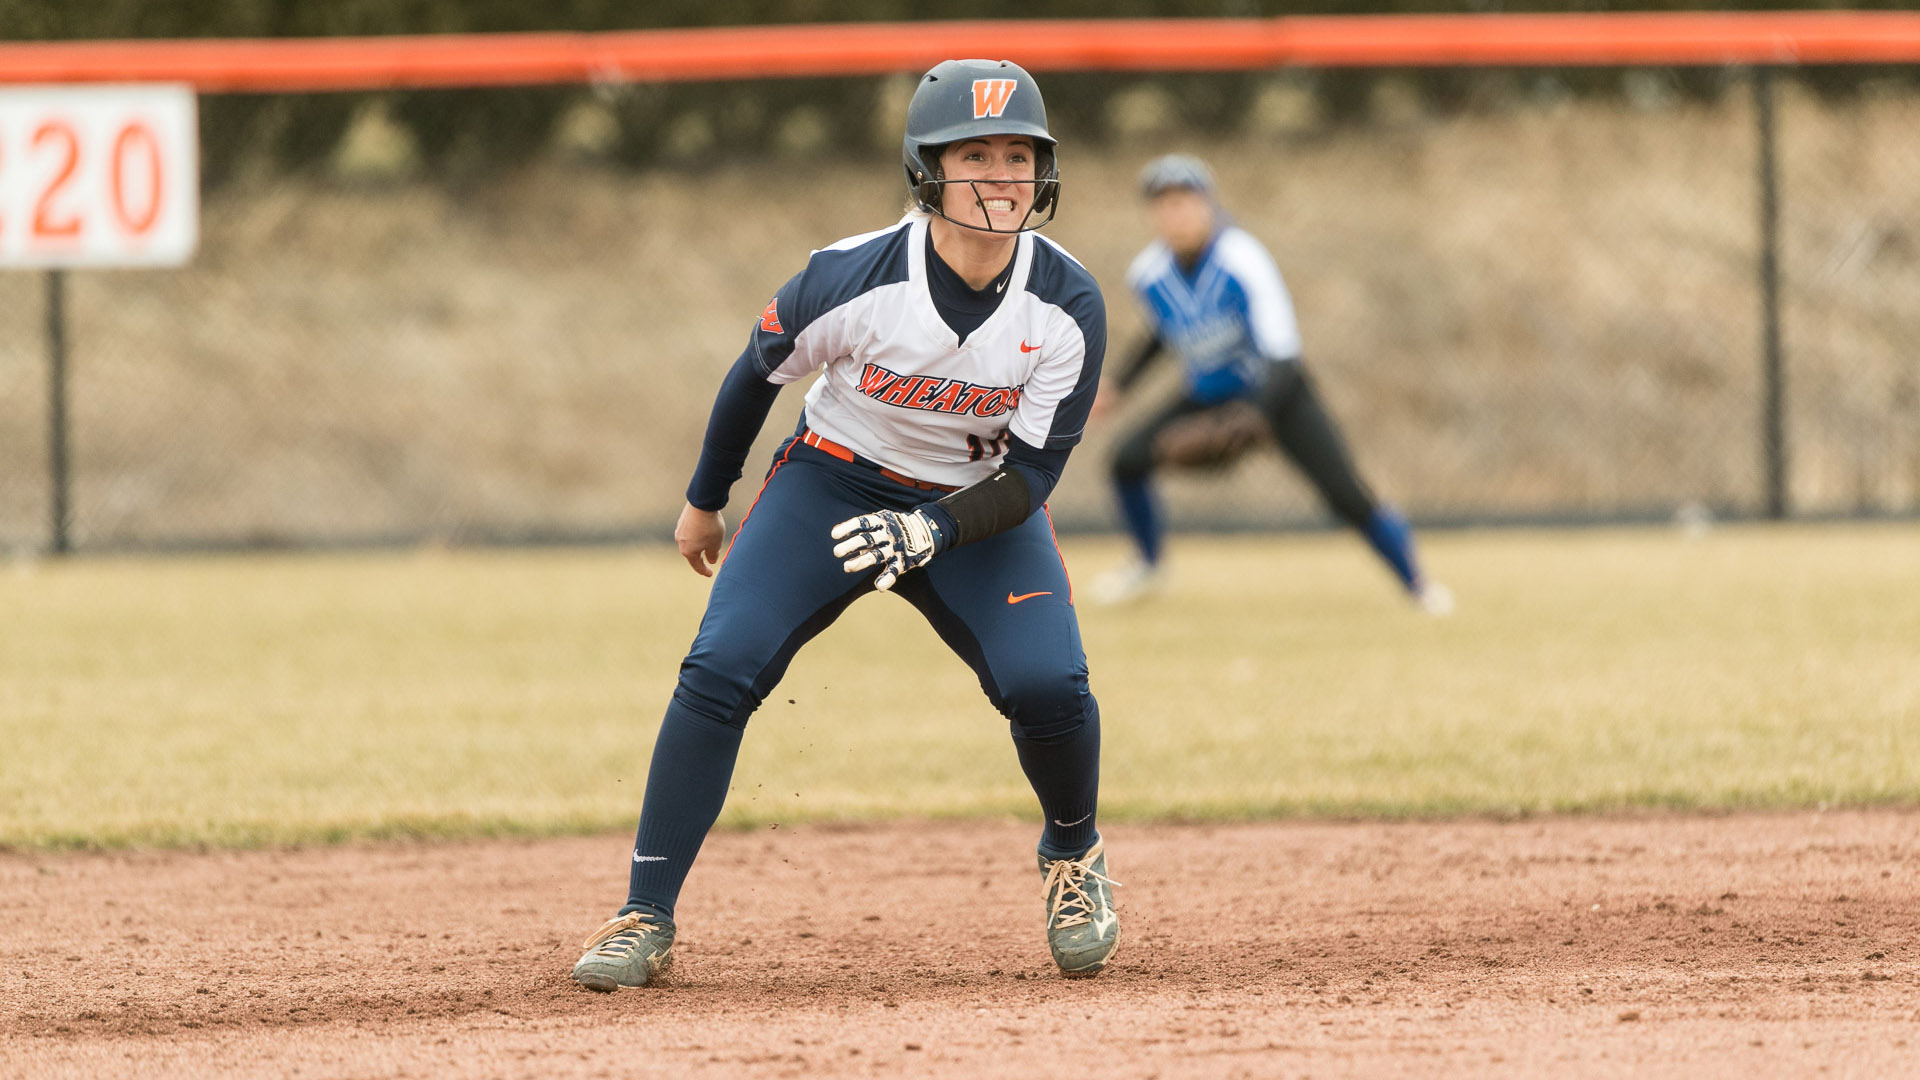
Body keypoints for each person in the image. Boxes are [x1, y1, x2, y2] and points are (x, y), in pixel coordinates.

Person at [571, 59, 1117, 991]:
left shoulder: (1066, 305)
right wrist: (707, 500)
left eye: (1019, 154)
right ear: (925, 172)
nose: (1001, 175)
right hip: (834, 482)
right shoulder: (852, 276)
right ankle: (643, 912)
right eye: (974, 153)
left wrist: (934, 532)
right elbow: (755, 377)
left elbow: (1030, 476)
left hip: (978, 504)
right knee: (718, 667)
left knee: (1048, 684)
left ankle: (1074, 858)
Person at [1093, 153, 1451, 614]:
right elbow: (1163, 332)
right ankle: (1148, 565)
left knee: (1346, 495)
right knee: (1125, 461)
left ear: (1208, 205)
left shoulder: (1242, 258)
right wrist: (1120, 385)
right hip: (1207, 393)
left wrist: (1252, 417)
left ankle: (1418, 584)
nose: (1175, 213)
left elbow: (1282, 351)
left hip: (1276, 391)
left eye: (1185, 201)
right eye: (1163, 204)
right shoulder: (1149, 273)